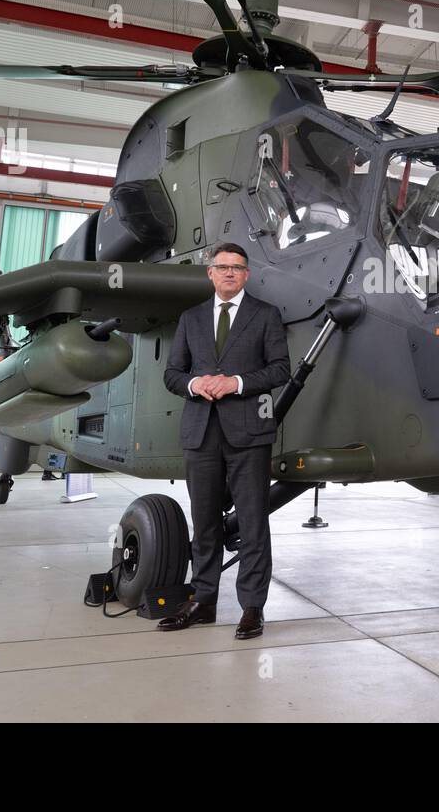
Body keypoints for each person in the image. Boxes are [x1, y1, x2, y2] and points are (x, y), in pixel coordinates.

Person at [158, 242, 290, 637]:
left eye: (238, 267)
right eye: (223, 267)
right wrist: (197, 383)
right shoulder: (191, 318)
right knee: (205, 521)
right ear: (210, 273)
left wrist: (236, 382)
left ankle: (252, 607)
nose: (230, 273)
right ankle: (203, 601)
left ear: (246, 275)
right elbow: (172, 373)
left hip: (248, 432)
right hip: (201, 431)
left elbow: (280, 369)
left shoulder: (266, 316)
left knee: (252, 522)